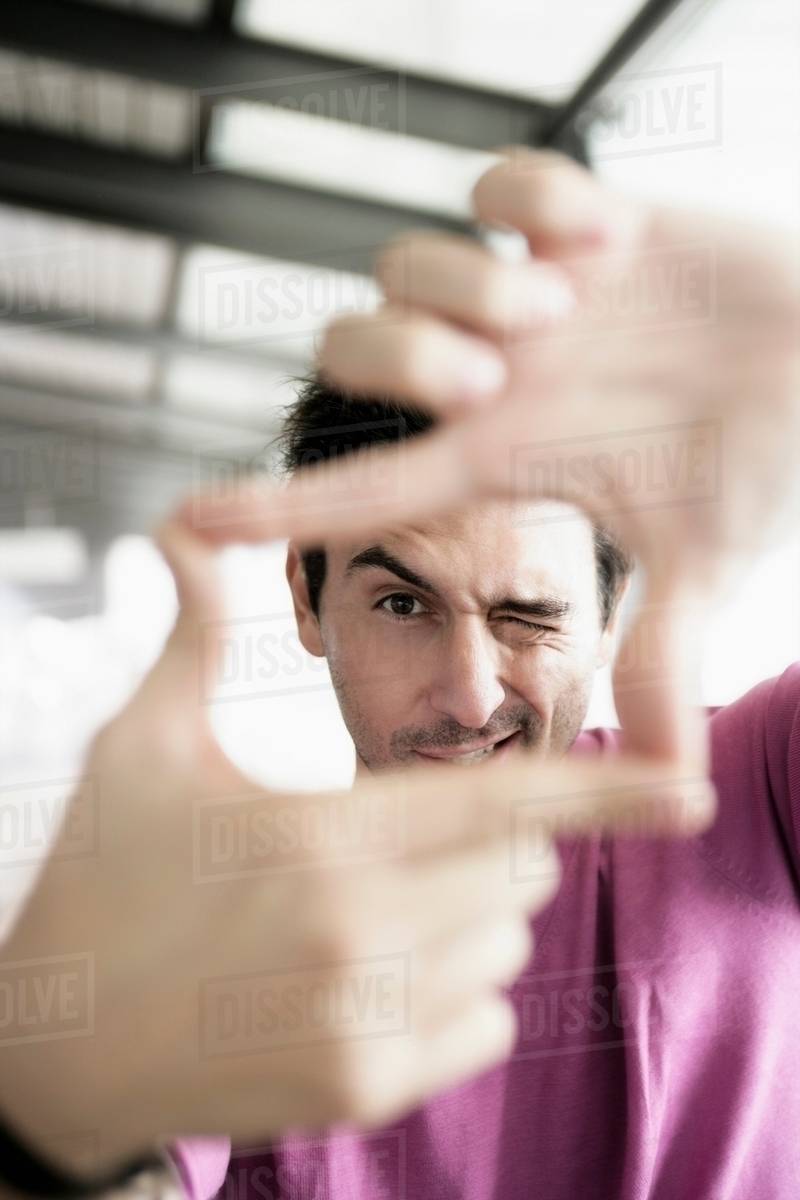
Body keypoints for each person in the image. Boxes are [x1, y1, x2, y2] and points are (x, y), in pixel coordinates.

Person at [0, 147, 797, 1198]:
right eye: (401, 604)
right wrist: (47, 1124)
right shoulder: (249, 935)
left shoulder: (750, 790)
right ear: (305, 599)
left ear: (610, 618)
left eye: (528, 617)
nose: (470, 694)